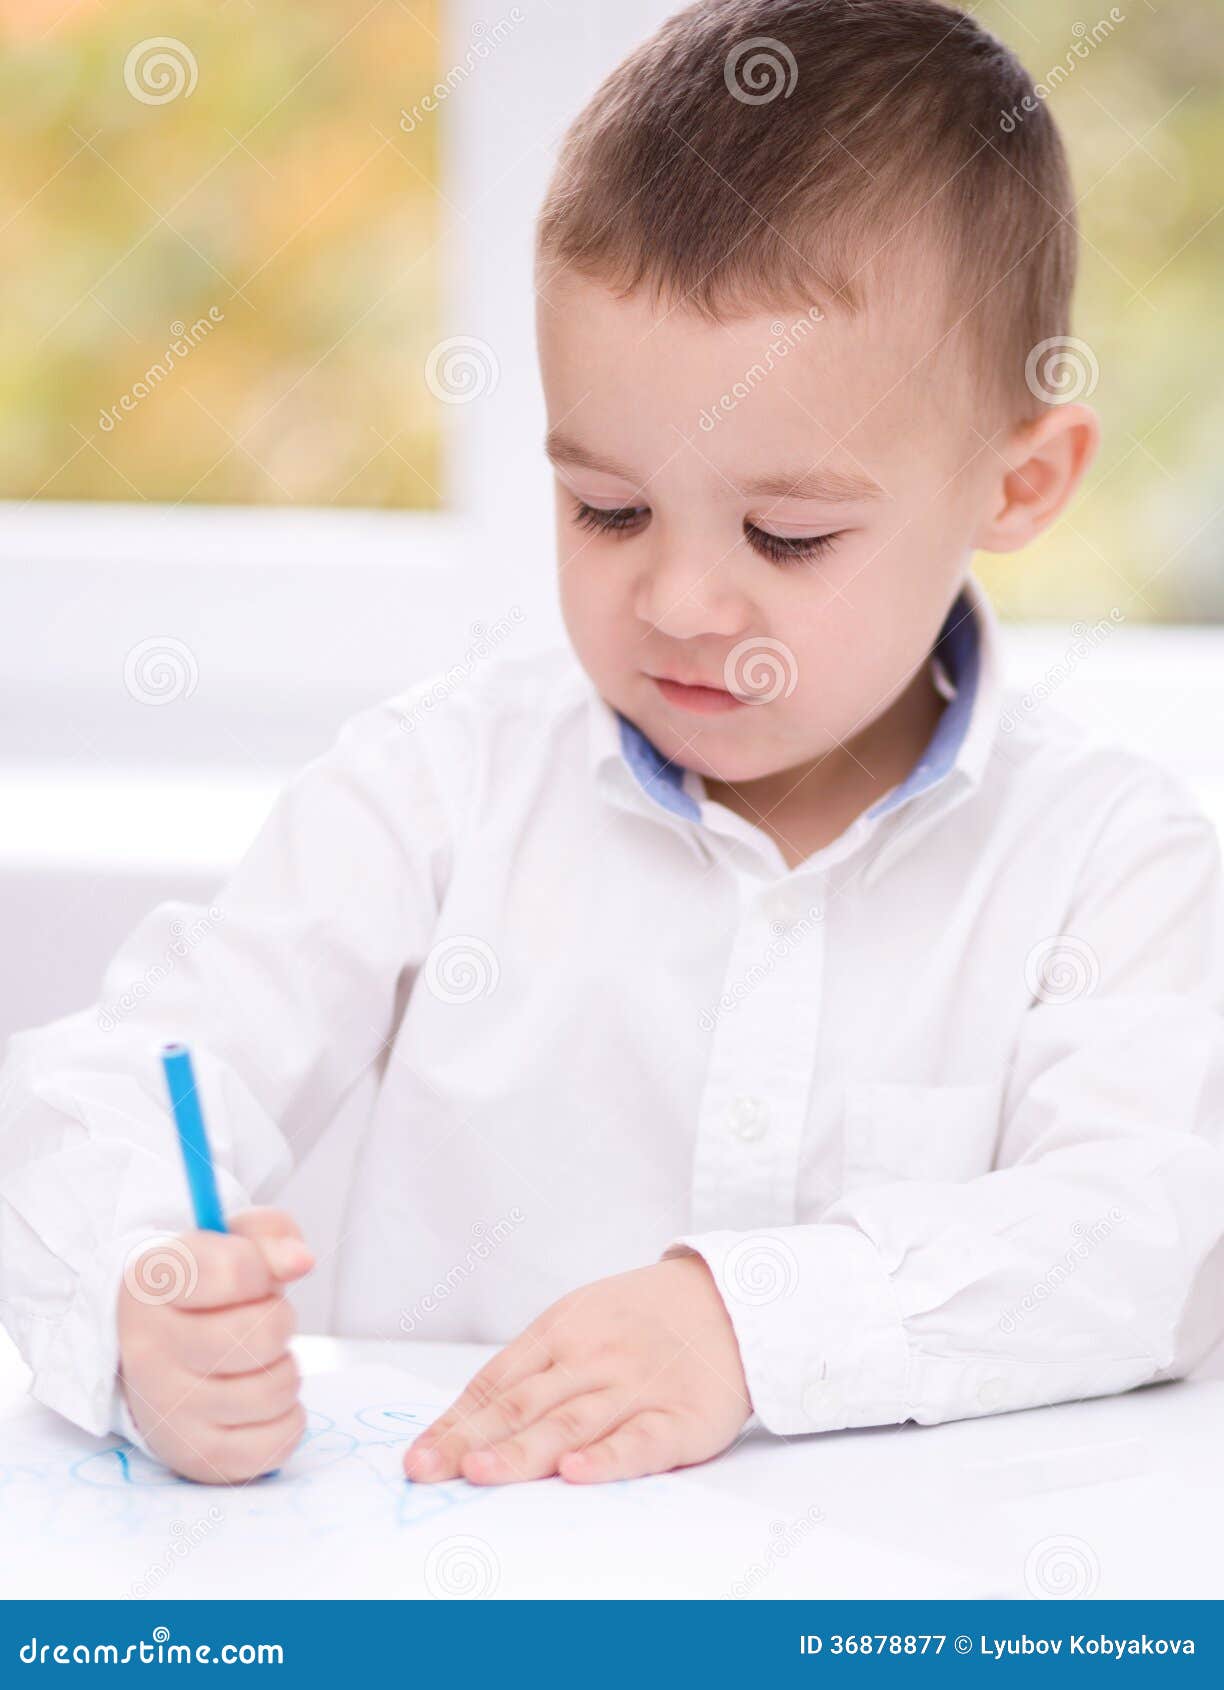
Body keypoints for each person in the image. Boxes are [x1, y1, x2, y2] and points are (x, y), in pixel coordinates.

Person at [3, 0, 1222, 1489]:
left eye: (788, 533)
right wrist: (138, 1301)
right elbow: (111, 1086)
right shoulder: (435, 789)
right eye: (607, 508)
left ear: (1020, 487)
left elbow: (1149, 1235)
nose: (684, 601)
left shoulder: (1109, 863)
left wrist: (745, 1324)